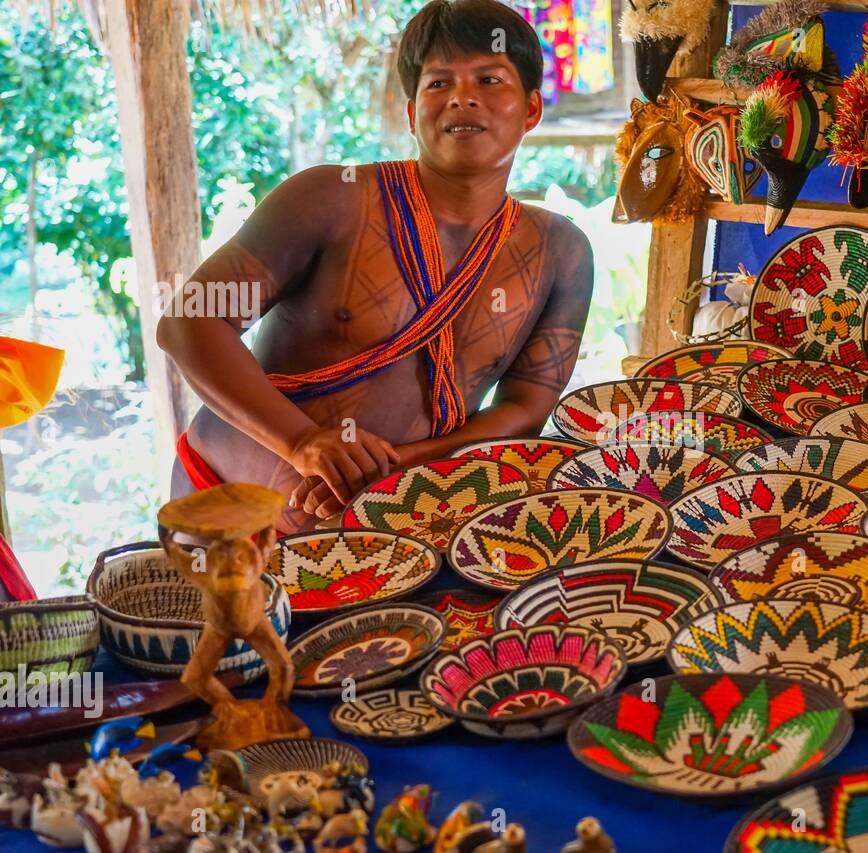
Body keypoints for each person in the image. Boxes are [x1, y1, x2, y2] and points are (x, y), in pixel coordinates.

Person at [158, 0, 594, 533]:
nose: (462, 97)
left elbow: (526, 405)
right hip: (229, 520)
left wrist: (405, 464)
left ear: (531, 109)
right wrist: (304, 443)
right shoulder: (329, 199)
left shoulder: (561, 252)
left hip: (398, 534)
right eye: (438, 84)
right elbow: (189, 323)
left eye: (488, 78)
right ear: (412, 114)